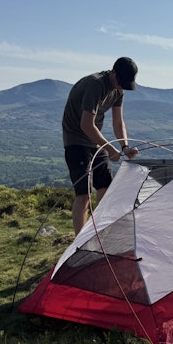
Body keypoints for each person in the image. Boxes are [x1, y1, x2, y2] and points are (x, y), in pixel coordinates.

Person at [62, 57, 140, 234]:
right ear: (113, 73)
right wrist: (111, 149)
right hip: (75, 140)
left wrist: (124, 147)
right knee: (84, 194)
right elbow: (86, 125)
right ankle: (79, 242)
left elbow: (118, 122)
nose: (121, 87)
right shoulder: (95, 85)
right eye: (121, 82)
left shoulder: (119, 89)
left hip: (95, 140)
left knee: (105, 187)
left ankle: (98, 234)